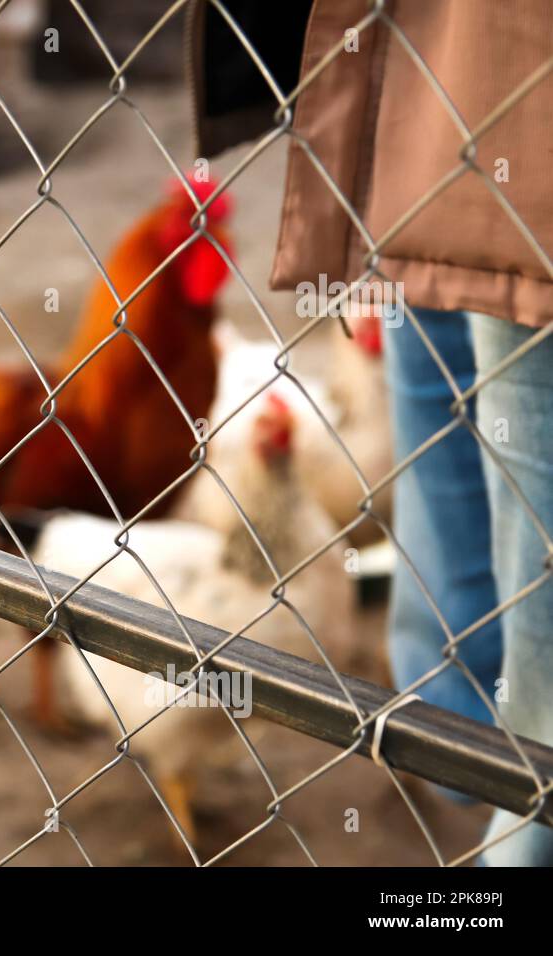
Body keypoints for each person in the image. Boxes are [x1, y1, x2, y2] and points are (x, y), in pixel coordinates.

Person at [187, 0, 553, 864]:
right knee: (449, 353)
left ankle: (488, 771)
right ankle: (466, 744)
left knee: (471, 361)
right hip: (451, 75)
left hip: (471, 82)